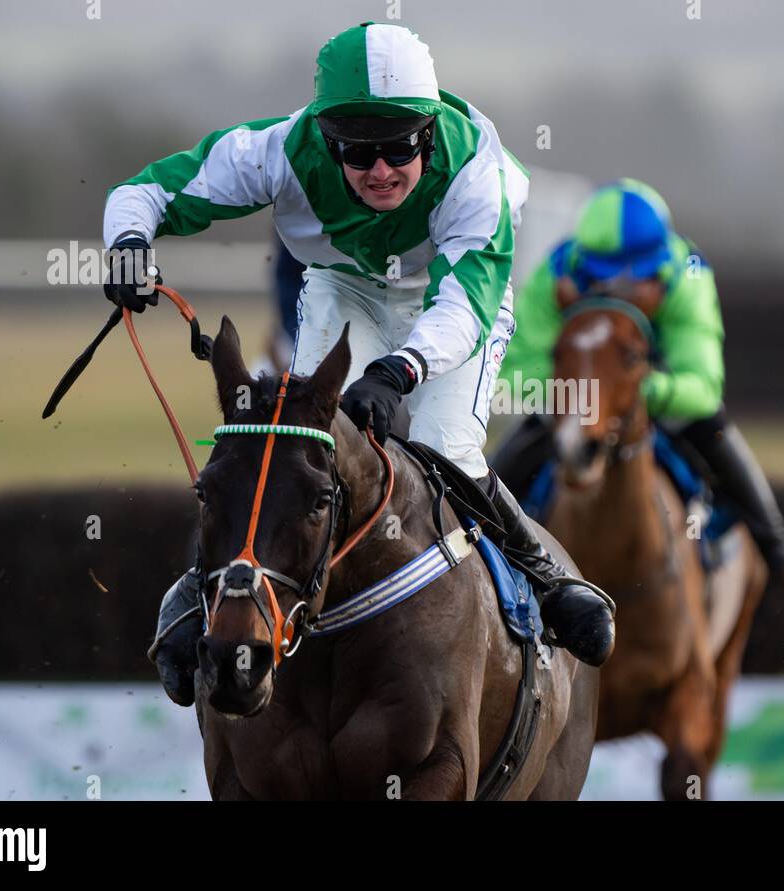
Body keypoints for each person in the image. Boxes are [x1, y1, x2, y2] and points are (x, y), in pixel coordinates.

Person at [104, 23, 615, 705]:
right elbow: (147, 190)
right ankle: (197, 594)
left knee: (440, 444)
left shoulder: (477, 173)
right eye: (356, 151)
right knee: (299, 447)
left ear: (429, 134)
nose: (379, 171)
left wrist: (399, 370)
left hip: (455, 302)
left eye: (398, 148)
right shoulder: (279, 149)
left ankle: (545, 576)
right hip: (347, 289)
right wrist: (129, 243)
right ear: (324, 136)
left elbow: (464, 307)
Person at [492, 179, 784, 589]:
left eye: (629, 283)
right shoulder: (556, 270)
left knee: (710, 425)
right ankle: (479, 523)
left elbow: (701, 387)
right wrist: (584, 390)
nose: (614, 293)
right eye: (601, 283)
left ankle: (776, 540)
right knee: (529, 437)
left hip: (653, 390)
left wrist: (630, 392)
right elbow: (516, 369)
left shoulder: (687, 277)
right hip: (581, 396)